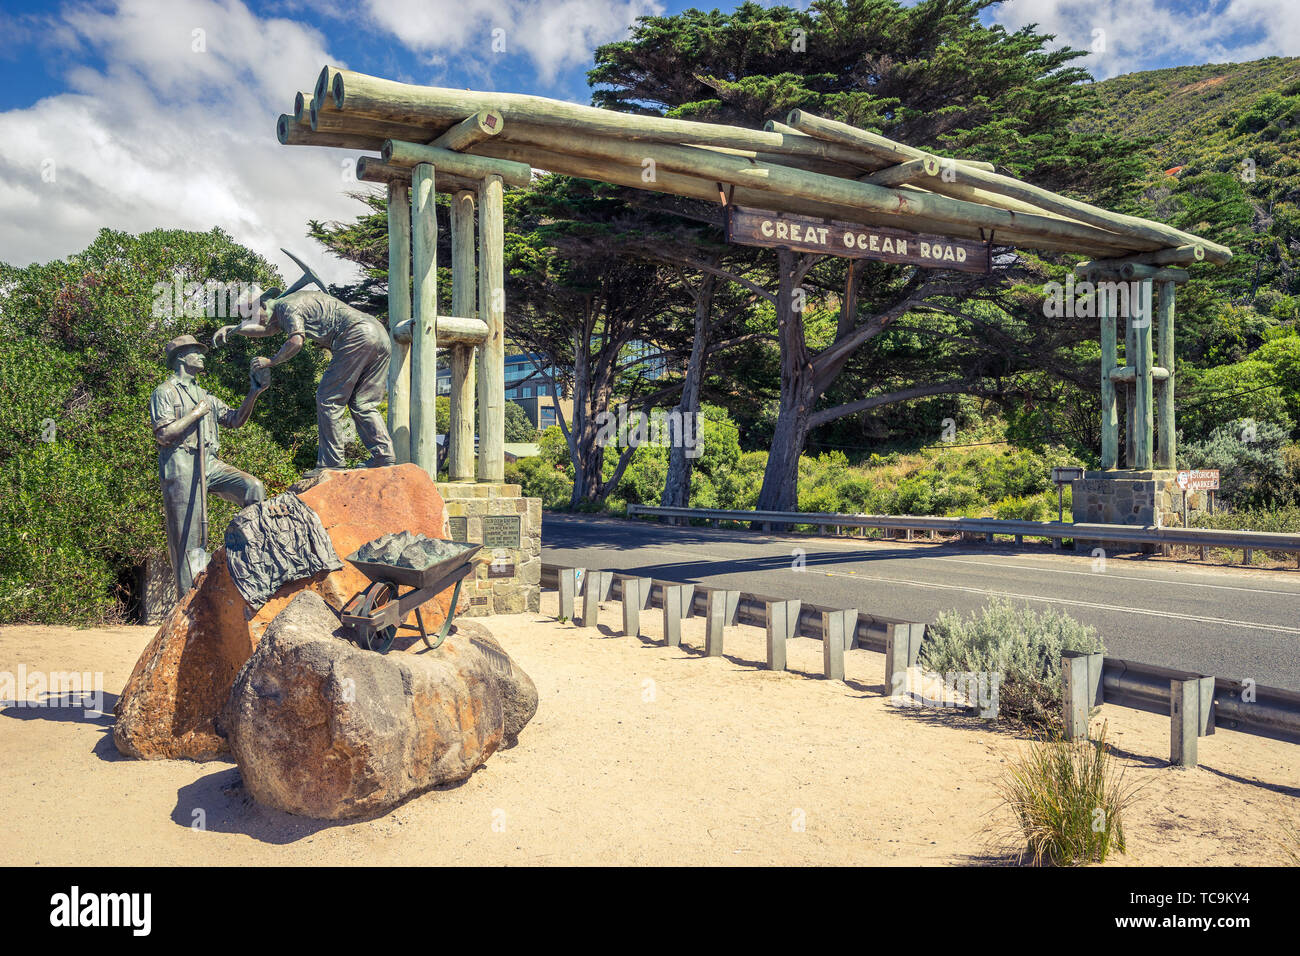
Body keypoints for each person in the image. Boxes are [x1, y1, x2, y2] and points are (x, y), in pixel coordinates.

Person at [214, 289, 396, 470]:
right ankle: (383, 455)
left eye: (251, 317)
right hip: (379, 334)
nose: (252, 322)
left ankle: (332, 463)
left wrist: (272, 361)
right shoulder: (284, 308)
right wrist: (234, 329)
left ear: (262, 305)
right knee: (363, 403)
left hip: (355, 335)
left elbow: (296, 341)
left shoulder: (287, 307)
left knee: (328, 399)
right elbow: (267, 329)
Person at [150, 335, 268, 594]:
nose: (203, 356)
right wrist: (196, 414)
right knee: (188, 540)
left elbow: (235, 420)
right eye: (196, 352)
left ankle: (249, 561)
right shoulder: (165, 392)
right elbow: (164, 435)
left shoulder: (206, 396)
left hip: (209, 462)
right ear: (181, 357)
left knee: (253, 488)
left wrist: (254, 391)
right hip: (181, 463)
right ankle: (188, 602)